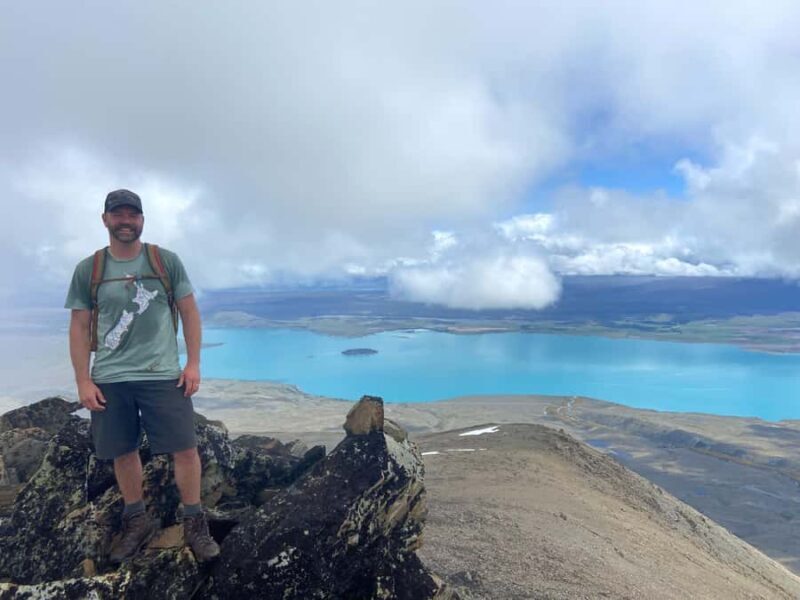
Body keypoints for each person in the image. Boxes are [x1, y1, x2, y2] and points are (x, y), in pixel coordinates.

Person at [65, 189, 220, 563]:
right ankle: (137, 519)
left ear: (142, 220)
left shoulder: (164, 262)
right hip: (111, 377)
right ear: (105, 220)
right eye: (117, 215)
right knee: (123, 451)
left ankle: (194, 522)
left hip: (162, 374)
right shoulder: (91, 269)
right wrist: (83, 381)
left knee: (185, 448)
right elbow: (79, 326)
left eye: (132, 215)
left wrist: (193, 363)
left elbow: (189, 312)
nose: (125, 222)